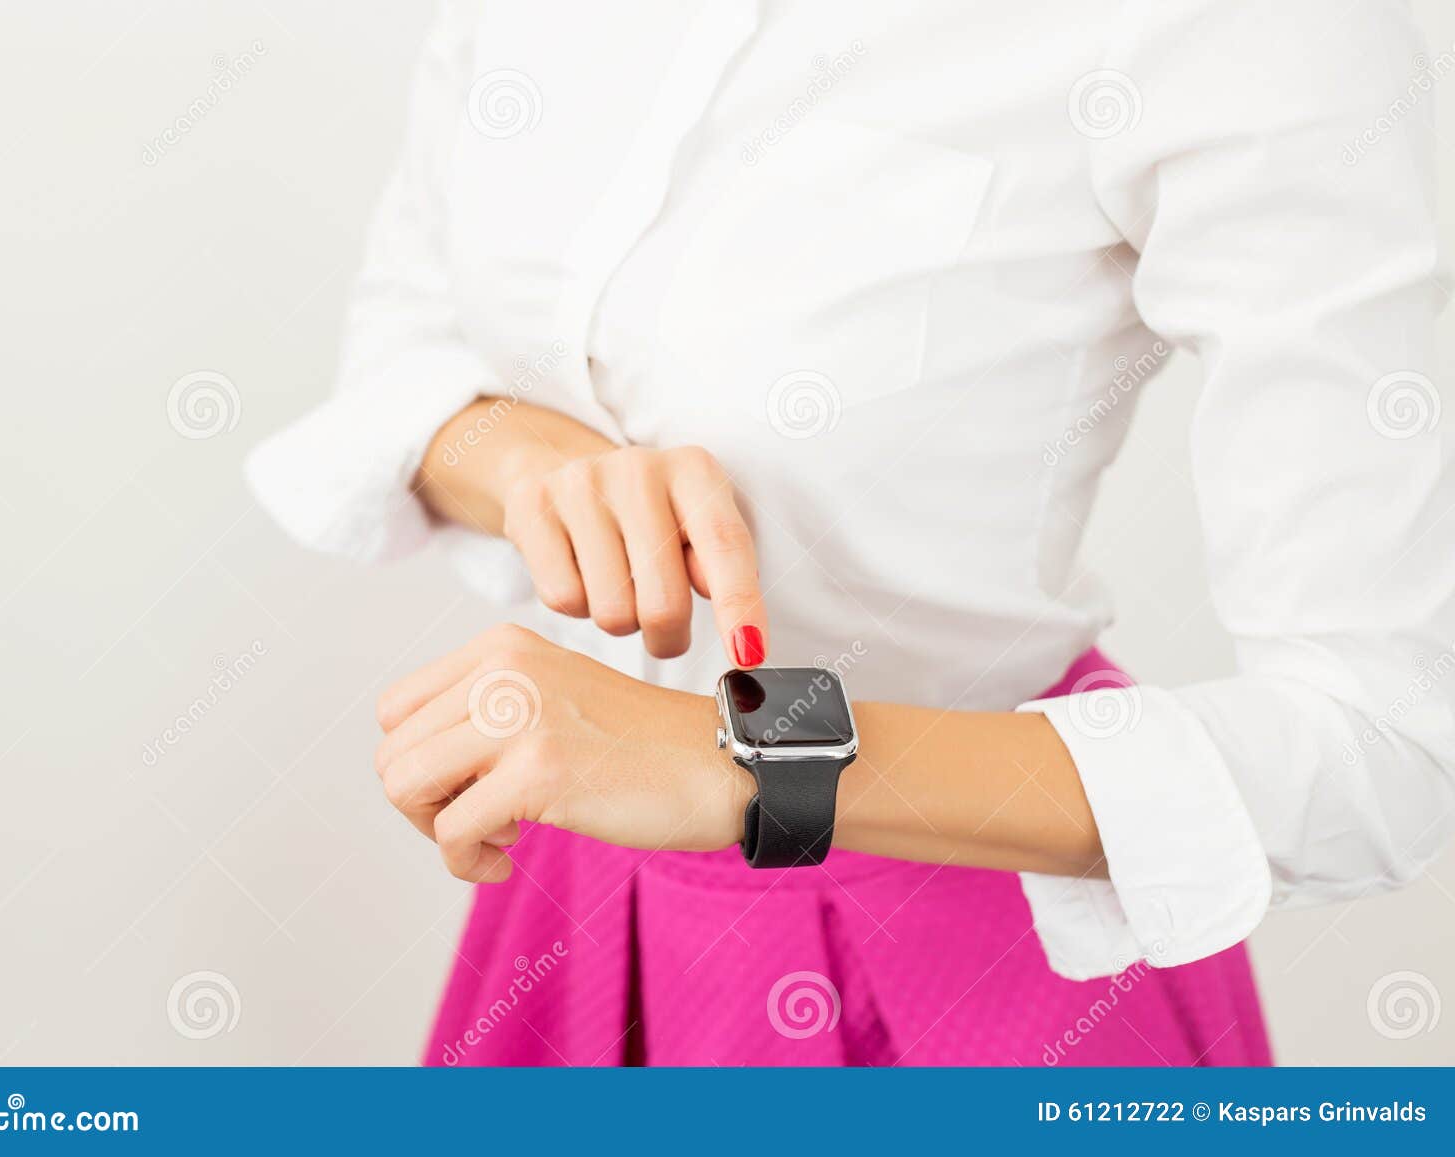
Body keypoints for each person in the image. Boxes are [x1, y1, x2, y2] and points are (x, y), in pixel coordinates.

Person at [247, 0, 1454, 1065]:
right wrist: (534, 463)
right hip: (568, 887)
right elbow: (405, 340)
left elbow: (1379, 741)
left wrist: (749, 762)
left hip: (969, 956)